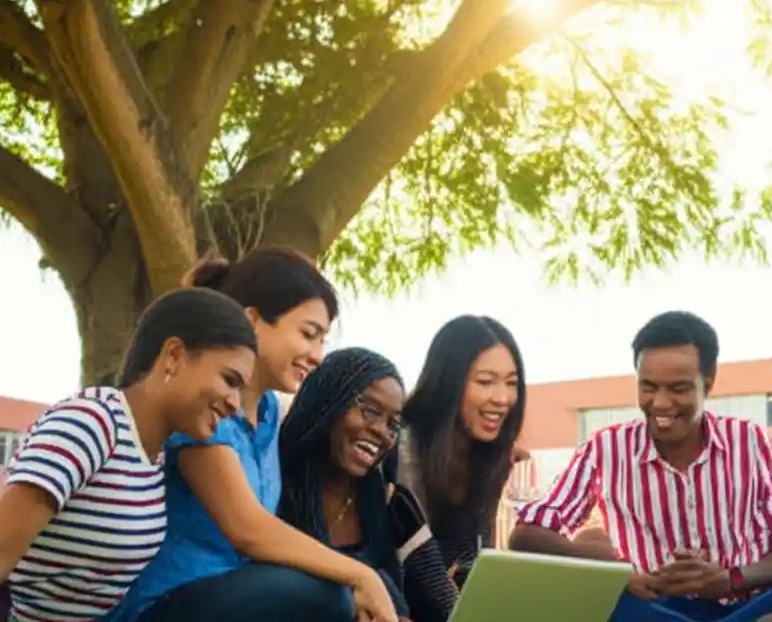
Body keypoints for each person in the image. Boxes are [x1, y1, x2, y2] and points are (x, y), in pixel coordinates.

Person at [0, 287, 259, 622]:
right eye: (229, 380)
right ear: (174, 355)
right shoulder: (92, 421)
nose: (235, 405)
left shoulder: (153, 457)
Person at [111, 248, 397, 622]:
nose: (316, 354)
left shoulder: (267, 415)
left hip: (237, 596)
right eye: (308, 335)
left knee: (367, 589)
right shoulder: (204, 412)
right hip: (166, 604)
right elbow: (248, 529)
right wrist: (361, 576)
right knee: (329, 595)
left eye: (323, 340)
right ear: (253, 321)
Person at [509, 311, 772, 622]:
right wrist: (615, 569)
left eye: (678, 389)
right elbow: (526, 533)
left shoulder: (748, 441)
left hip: (742, 605)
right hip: (653, 609)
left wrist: (728, 579)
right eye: (648, 387)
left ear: (709, 382)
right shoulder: (605, 448)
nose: (660, 403)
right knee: (602, 601)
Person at [392, 315, 528, 621]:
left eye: (511, 383)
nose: (503, 398)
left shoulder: (491, 459)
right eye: (485, 381)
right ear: (448, 382)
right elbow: (412, 568)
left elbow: (476, 565)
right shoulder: (400, 451)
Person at [278, 347, 426, 620]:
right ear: (328, 401)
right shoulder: (272, 488)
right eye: (370, 410)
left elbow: (442, 602)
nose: (382, 431)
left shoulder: (391, 501)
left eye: (393, 424)